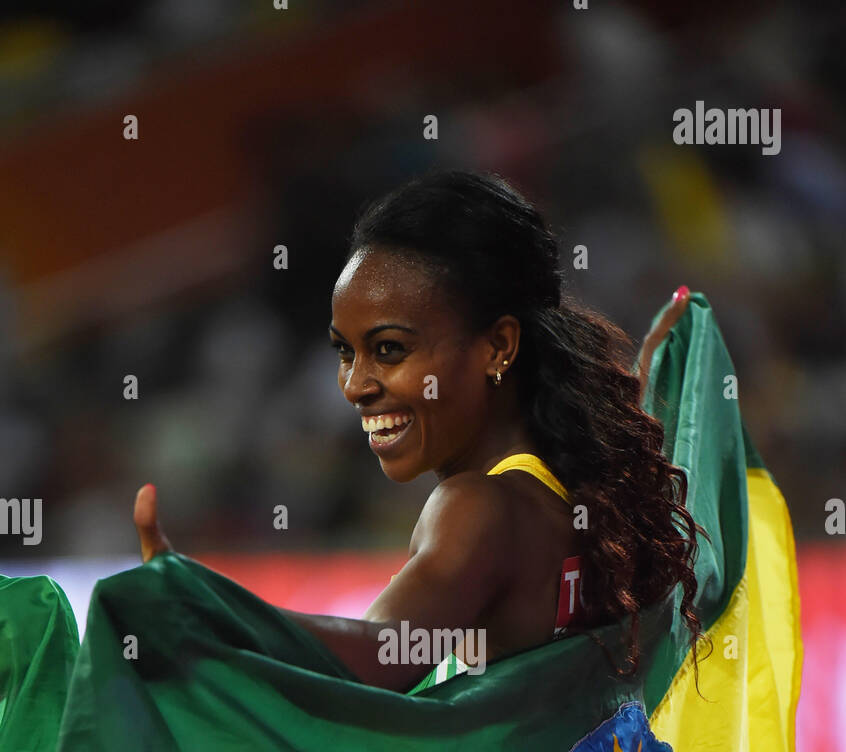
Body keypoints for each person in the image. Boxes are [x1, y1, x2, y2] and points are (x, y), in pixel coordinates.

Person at [134, 170, 701, 692]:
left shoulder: (475, 506)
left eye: (389, 350)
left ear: (497, 347)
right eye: (344, 352)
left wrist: (210, 611)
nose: (356, 386)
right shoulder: (592, 493)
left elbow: (382, 655)